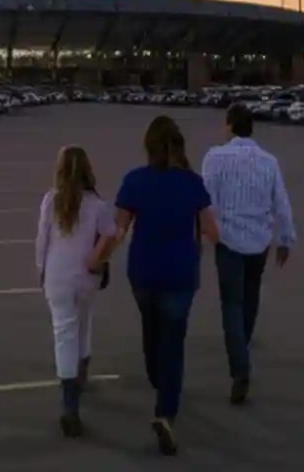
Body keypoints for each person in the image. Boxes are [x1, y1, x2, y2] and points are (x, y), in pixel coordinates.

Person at [89, 115, 218, 456]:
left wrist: (98, 258)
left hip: (143, 272)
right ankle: (165, 411)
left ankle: (158, 380)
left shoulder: (135, 181)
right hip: (179, 274)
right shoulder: (193, 183)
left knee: (151, 330)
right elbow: (210, 230)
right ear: (179, 146)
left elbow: (117, 231)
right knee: (174, 342)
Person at [200, 102, 296, 406]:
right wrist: (285, 239)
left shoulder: (215, 157)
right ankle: (244, 342)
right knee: (251, 295)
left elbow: (206, 199)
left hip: (227, 240)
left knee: (231, 302)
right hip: (259, 241)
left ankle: (240, 367)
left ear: (229, 125)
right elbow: (281, 202)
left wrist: (205, 233)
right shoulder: (269, 162)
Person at [35, 145, 115, 438]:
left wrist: (40, 271)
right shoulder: (97, 204)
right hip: (85, 275)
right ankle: (82, 374)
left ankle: (70, 404)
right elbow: (110, 235)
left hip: (57, 276)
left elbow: (42, 241)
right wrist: (100, 261)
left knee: (63, 333)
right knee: (84, 323)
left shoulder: (51, 201)